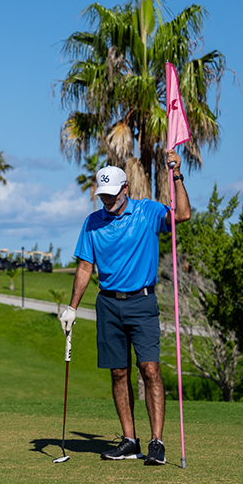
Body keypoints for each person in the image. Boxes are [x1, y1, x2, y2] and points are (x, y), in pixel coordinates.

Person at [59, 154, 191, 465]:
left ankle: (156, 442)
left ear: (126, 189)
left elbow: (182, 215)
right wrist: (72, 308)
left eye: (111, 194)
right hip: (108, 304)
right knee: (119, 373)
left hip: (142, 302)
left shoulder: (147, 212)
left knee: (150, 370)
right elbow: (84, 267)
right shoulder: (93, 223)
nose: (106, 200)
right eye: (102, 195)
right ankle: (130, 440)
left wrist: (177, 177)